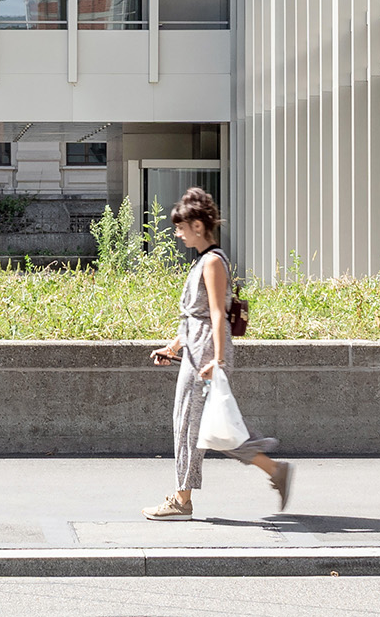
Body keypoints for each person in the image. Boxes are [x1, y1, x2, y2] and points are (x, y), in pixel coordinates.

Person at [143, 187, 293, 519]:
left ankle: (182, 501)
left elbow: (215, 313)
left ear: (198, 225)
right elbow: (196, 317)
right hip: (199, 348)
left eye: (182, 227)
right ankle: (274, 470)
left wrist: (218, 360)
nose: (179, 233)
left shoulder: (212, 261)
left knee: (187, 426)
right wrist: (174, 346)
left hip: (207, 353)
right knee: (214, 427)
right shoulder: (204, 260)